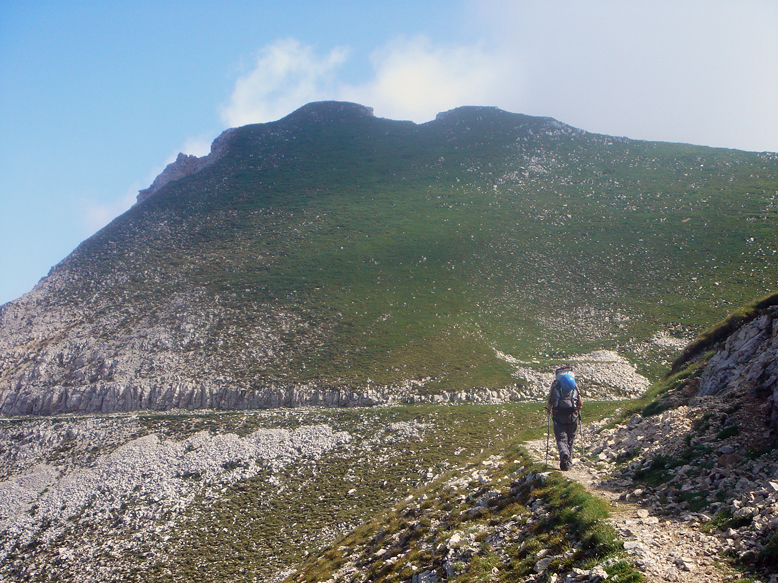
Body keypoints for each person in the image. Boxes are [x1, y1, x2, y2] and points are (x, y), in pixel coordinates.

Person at [546, 365, 583, 471]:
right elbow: (580, 403)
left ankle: (564, 454)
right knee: (571, 439)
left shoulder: (555, 385)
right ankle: (567, 464)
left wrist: (549, 411)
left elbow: (550, 401)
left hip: (559, 415)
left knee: (561, 438)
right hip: (573, 415)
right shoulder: (574, 385)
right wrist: (578, 407)